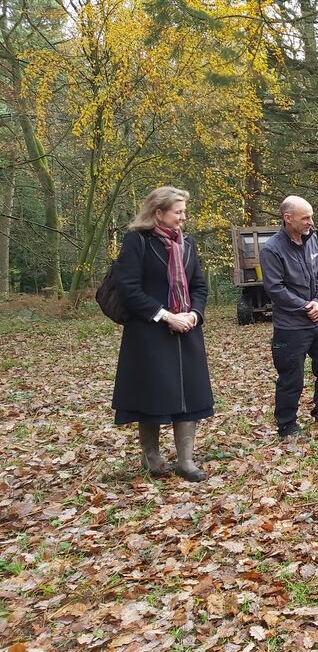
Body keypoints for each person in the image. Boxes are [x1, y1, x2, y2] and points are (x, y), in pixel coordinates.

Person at [111, 186, 213, 482]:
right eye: (178, 211)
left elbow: (199, 287)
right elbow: (129, 288)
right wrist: (166, 315)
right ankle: (152, 457)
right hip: (149, 333)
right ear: (158, 213)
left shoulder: (188, 244)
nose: (183, 217)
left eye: (184, 211)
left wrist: (193, 314)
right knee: (151, 395)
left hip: (187, 331)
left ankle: (186, 461)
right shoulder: (136, 241)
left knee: (189, 395)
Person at [260, 195, 318, 439]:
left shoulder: (312, 239)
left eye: (311, 216)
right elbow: (275, 289)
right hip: (290, 327)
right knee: (291, 378)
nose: (310, 222)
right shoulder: (272, 249)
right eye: (305, 217)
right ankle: (287, 426)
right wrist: (305, 305)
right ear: (288, 218)